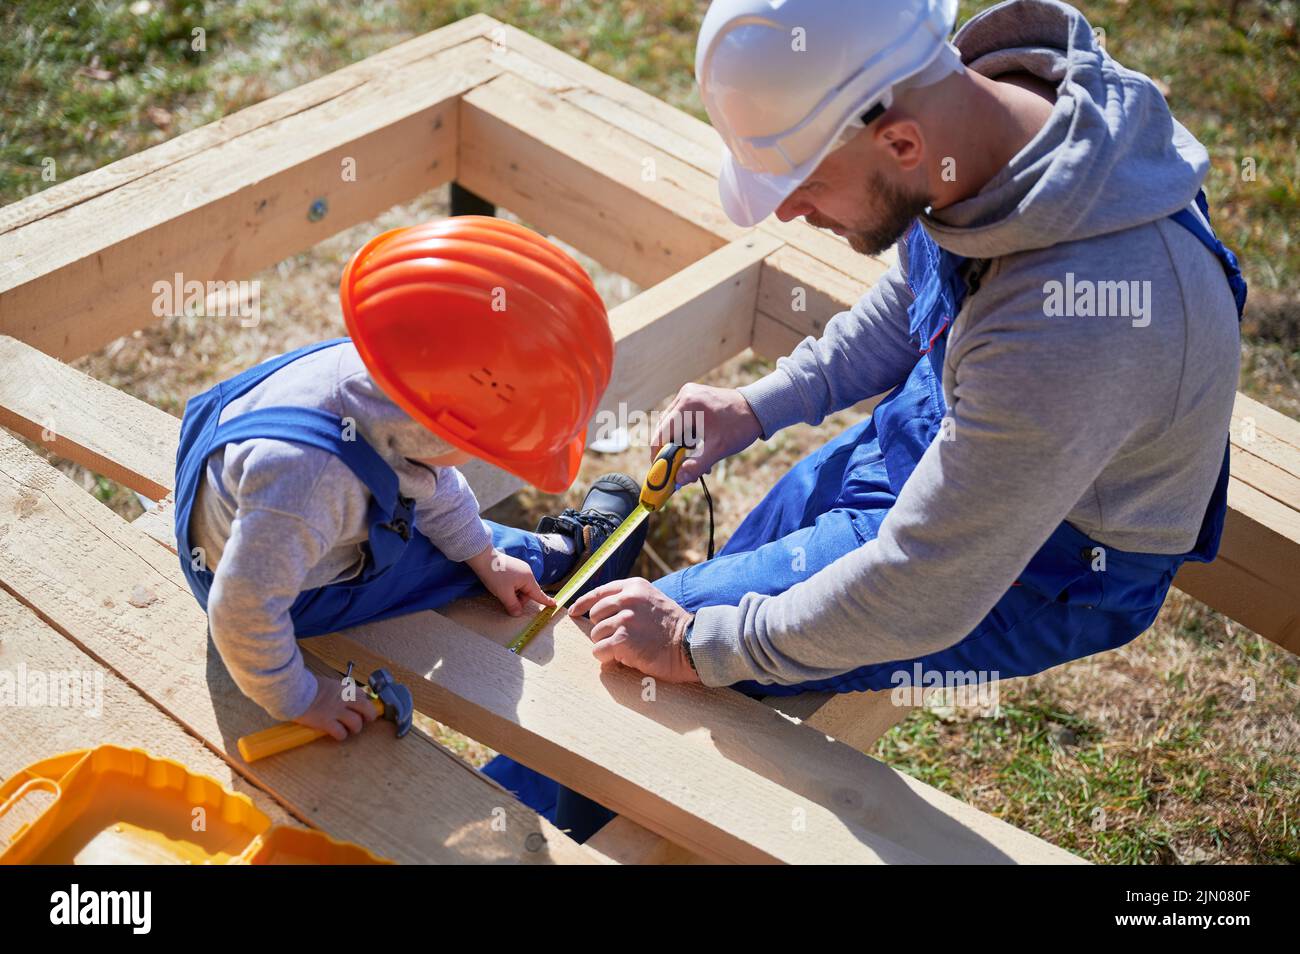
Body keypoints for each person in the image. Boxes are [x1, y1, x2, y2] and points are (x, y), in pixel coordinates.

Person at [486, 0, 1248, 842]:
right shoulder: (982, 129)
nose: (787, 212)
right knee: (705, 600)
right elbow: (917, 296)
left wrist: (700, 646)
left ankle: (486, 841)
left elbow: (925, 585)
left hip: (1047, 559)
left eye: (805, 184)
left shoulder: (1071, 325)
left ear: (902, 143)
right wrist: (759, 405)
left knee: (630, 654)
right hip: (952, 437)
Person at [173, 215, 648, 738]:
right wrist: (301, 697)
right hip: (265, 589)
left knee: (457, 538)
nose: (477, 460)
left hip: (222, 508)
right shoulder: (315, 485)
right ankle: (563, 558)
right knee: (429, 559)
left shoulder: (385, 371)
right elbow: (241, 612)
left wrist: (485, 556)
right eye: (479, 448)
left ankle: (506, 555)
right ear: (445, 427)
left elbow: (431, 482)